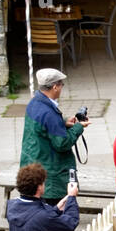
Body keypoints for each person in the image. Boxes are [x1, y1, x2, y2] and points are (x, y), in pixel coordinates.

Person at [20, 68, 88, 203]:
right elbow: (62, 144)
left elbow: (42, 126)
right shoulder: (49, 113)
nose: (62, 88)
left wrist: (63, 122)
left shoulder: (34, 103)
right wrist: (79, 127)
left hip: (33, 165)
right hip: (50, 177)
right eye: (61, 85)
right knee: (54, 214)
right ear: (55, 87)